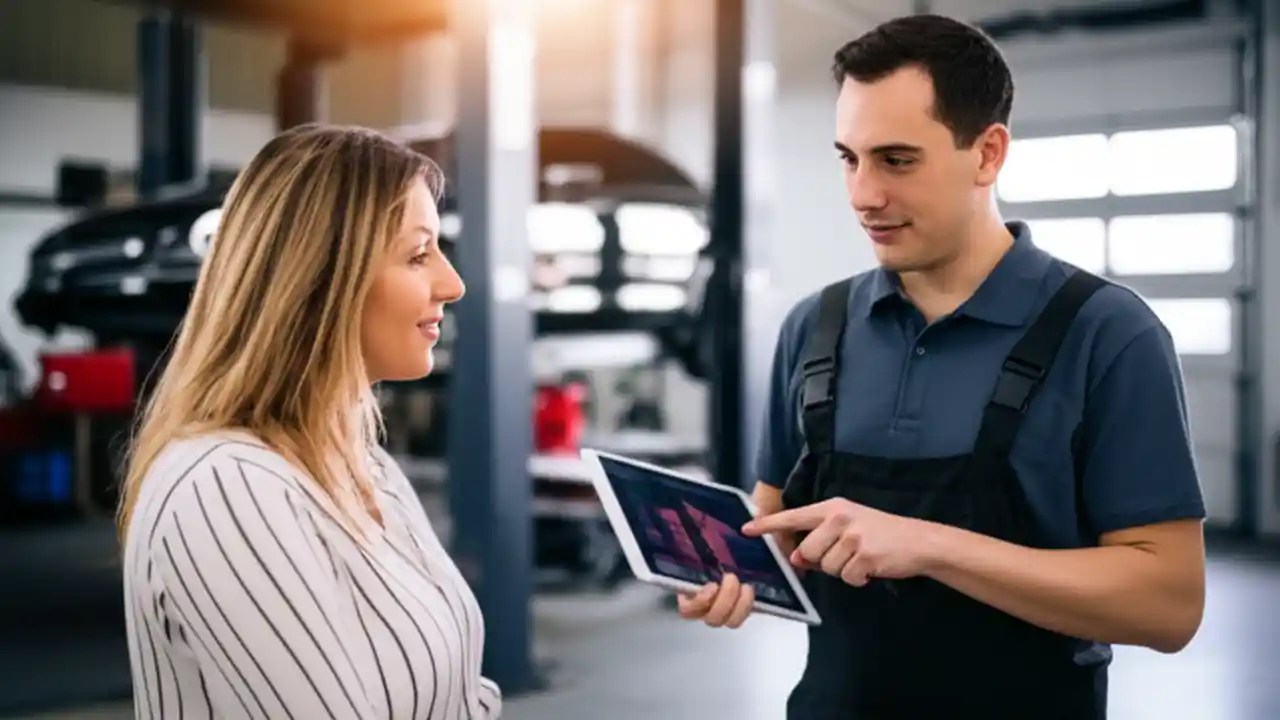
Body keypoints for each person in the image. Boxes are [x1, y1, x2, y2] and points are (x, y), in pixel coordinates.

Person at [678, 14, 1206, 719]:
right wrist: (723, 571)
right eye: (848, 157)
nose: (864, 195)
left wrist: (928, 545)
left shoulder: (1107, 334)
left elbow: (1168, 605)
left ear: (987, 154)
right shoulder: (815, 328)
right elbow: (774, 522)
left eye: (897, 160)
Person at [117, 124, 503, 719]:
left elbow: (459, 697)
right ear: (320, 279)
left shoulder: (365, 465)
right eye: (418, 254)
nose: (452, 285)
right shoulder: (228, 488)